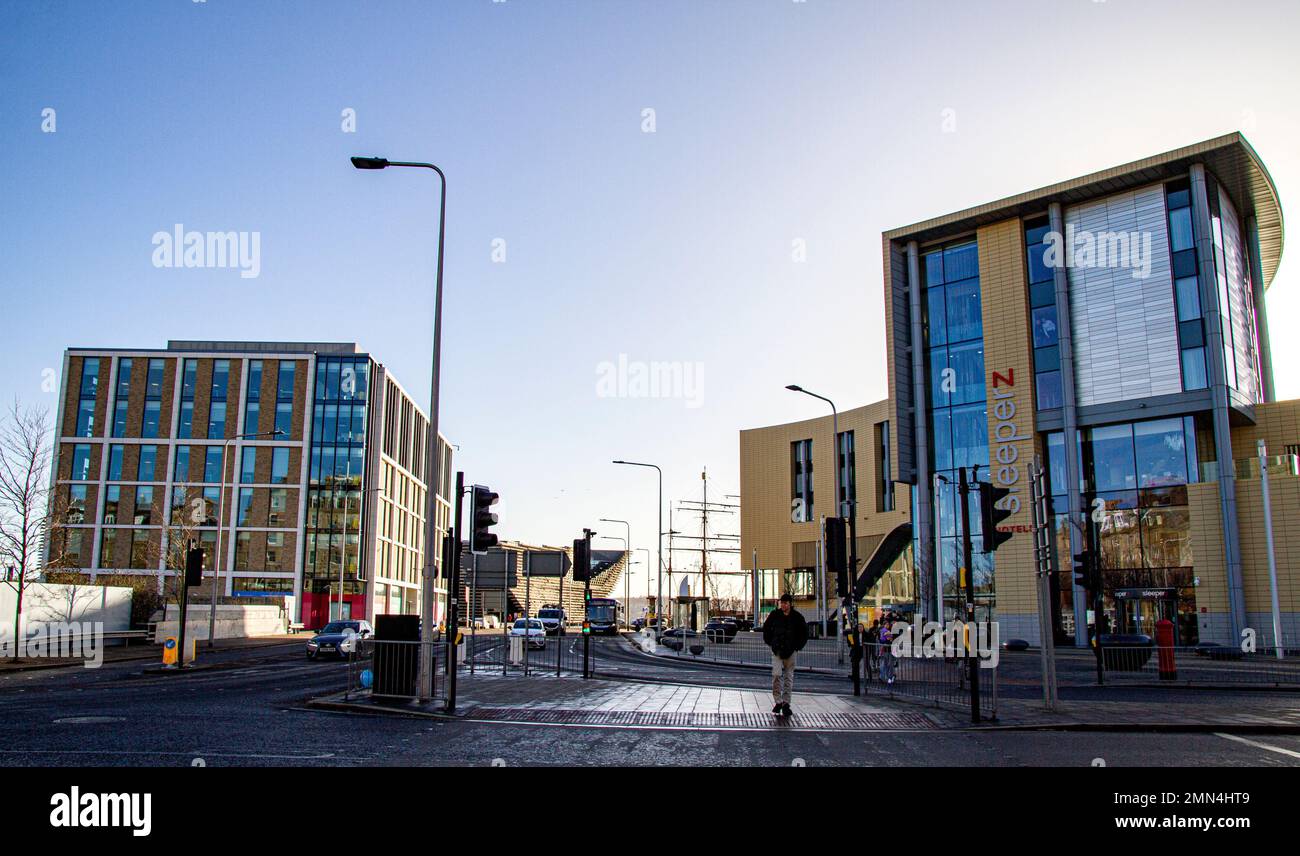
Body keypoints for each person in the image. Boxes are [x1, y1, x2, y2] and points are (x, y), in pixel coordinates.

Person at [762, 593, 808, 716]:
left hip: (790, 650)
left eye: (785, 603)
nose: (783, 605)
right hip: (777, 649)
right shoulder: (775, 615)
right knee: (776, 675)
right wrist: (771, 642)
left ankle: (786, 703)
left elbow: (804, 632)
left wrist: (797, 646)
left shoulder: (797, 617)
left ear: (790, 604)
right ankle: (778, 701)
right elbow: (766, 628)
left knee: (788, 677)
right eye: (782, 603)